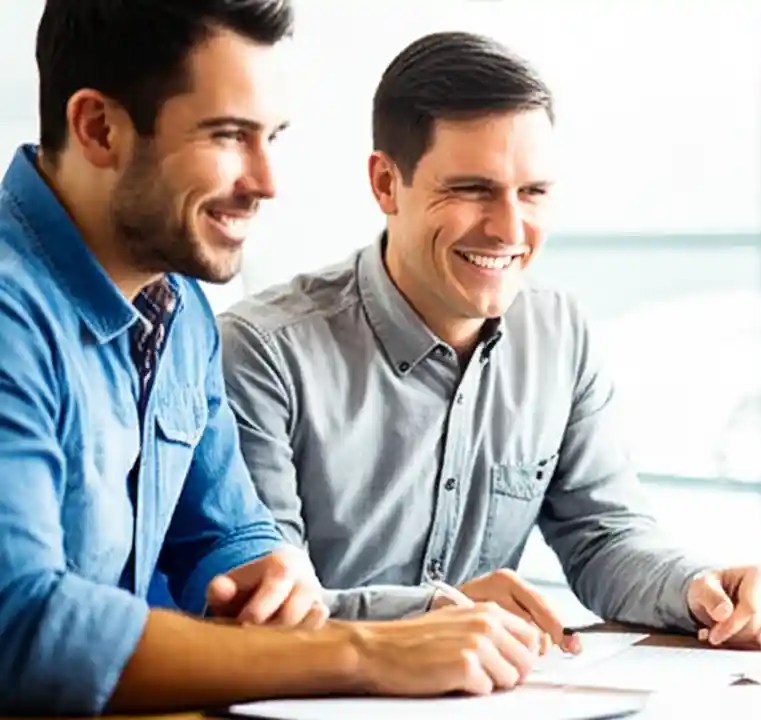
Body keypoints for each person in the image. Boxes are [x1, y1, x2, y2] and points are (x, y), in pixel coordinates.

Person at [0, 2, 549, 714]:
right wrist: (363, 652)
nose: (267, 181)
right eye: (228, 136)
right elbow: (22, 630)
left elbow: (224, 531)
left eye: (273, 137)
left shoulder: (177, 308)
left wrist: (272, 573)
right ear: (99, 128)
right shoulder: (13, 312)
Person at [219, 30, 761, 651]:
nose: (510, 229)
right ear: (386, 184)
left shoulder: (558, 335)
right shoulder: (262, 353)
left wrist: (697, 588)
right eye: (472, 190)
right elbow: (269, 606)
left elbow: (602, 536)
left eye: (534, 192)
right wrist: (435, 614)